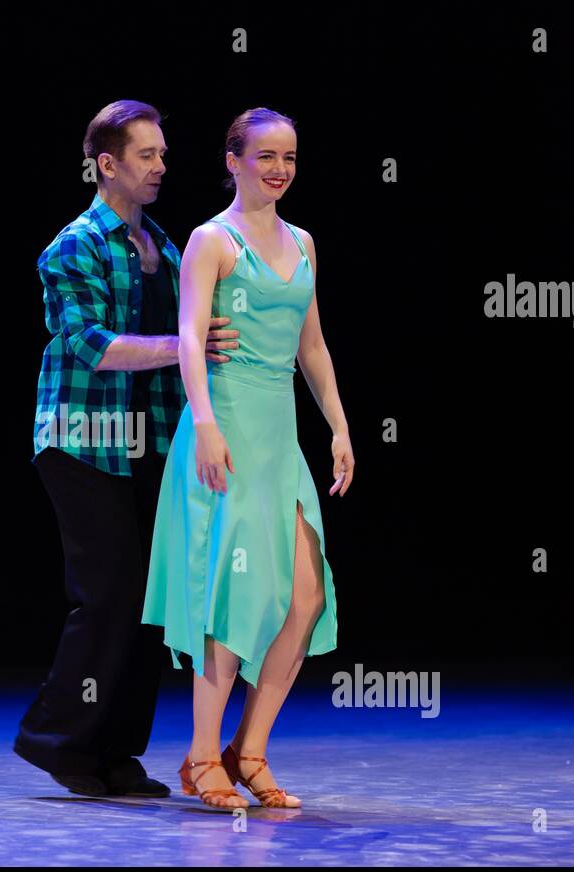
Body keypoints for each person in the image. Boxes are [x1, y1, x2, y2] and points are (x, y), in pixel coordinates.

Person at [14, 101, 242, 797]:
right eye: (147, 156)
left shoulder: (167, 247)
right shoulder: (73, 246)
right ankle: (59, 740)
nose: (160, 167)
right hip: (83, 442)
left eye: (163, 155)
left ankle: (115, 751)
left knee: (151, 599)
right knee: (107, 592)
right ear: (107, 164)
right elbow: (91, 347)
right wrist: (185, 347)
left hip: (151, 443)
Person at [141, 107, 355, 809]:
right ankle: (202, 759)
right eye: (265, 155)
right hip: (226, 431)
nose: (279, 168)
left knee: (304, 596)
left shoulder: (304, 242)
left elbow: (313, 346)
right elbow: (188, 334)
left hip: (279, 440)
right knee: (230, 602)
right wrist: (202, 423)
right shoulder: (214, 240)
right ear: (232, 160)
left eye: (289, 156)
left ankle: (247, 751)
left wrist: (340, 428)